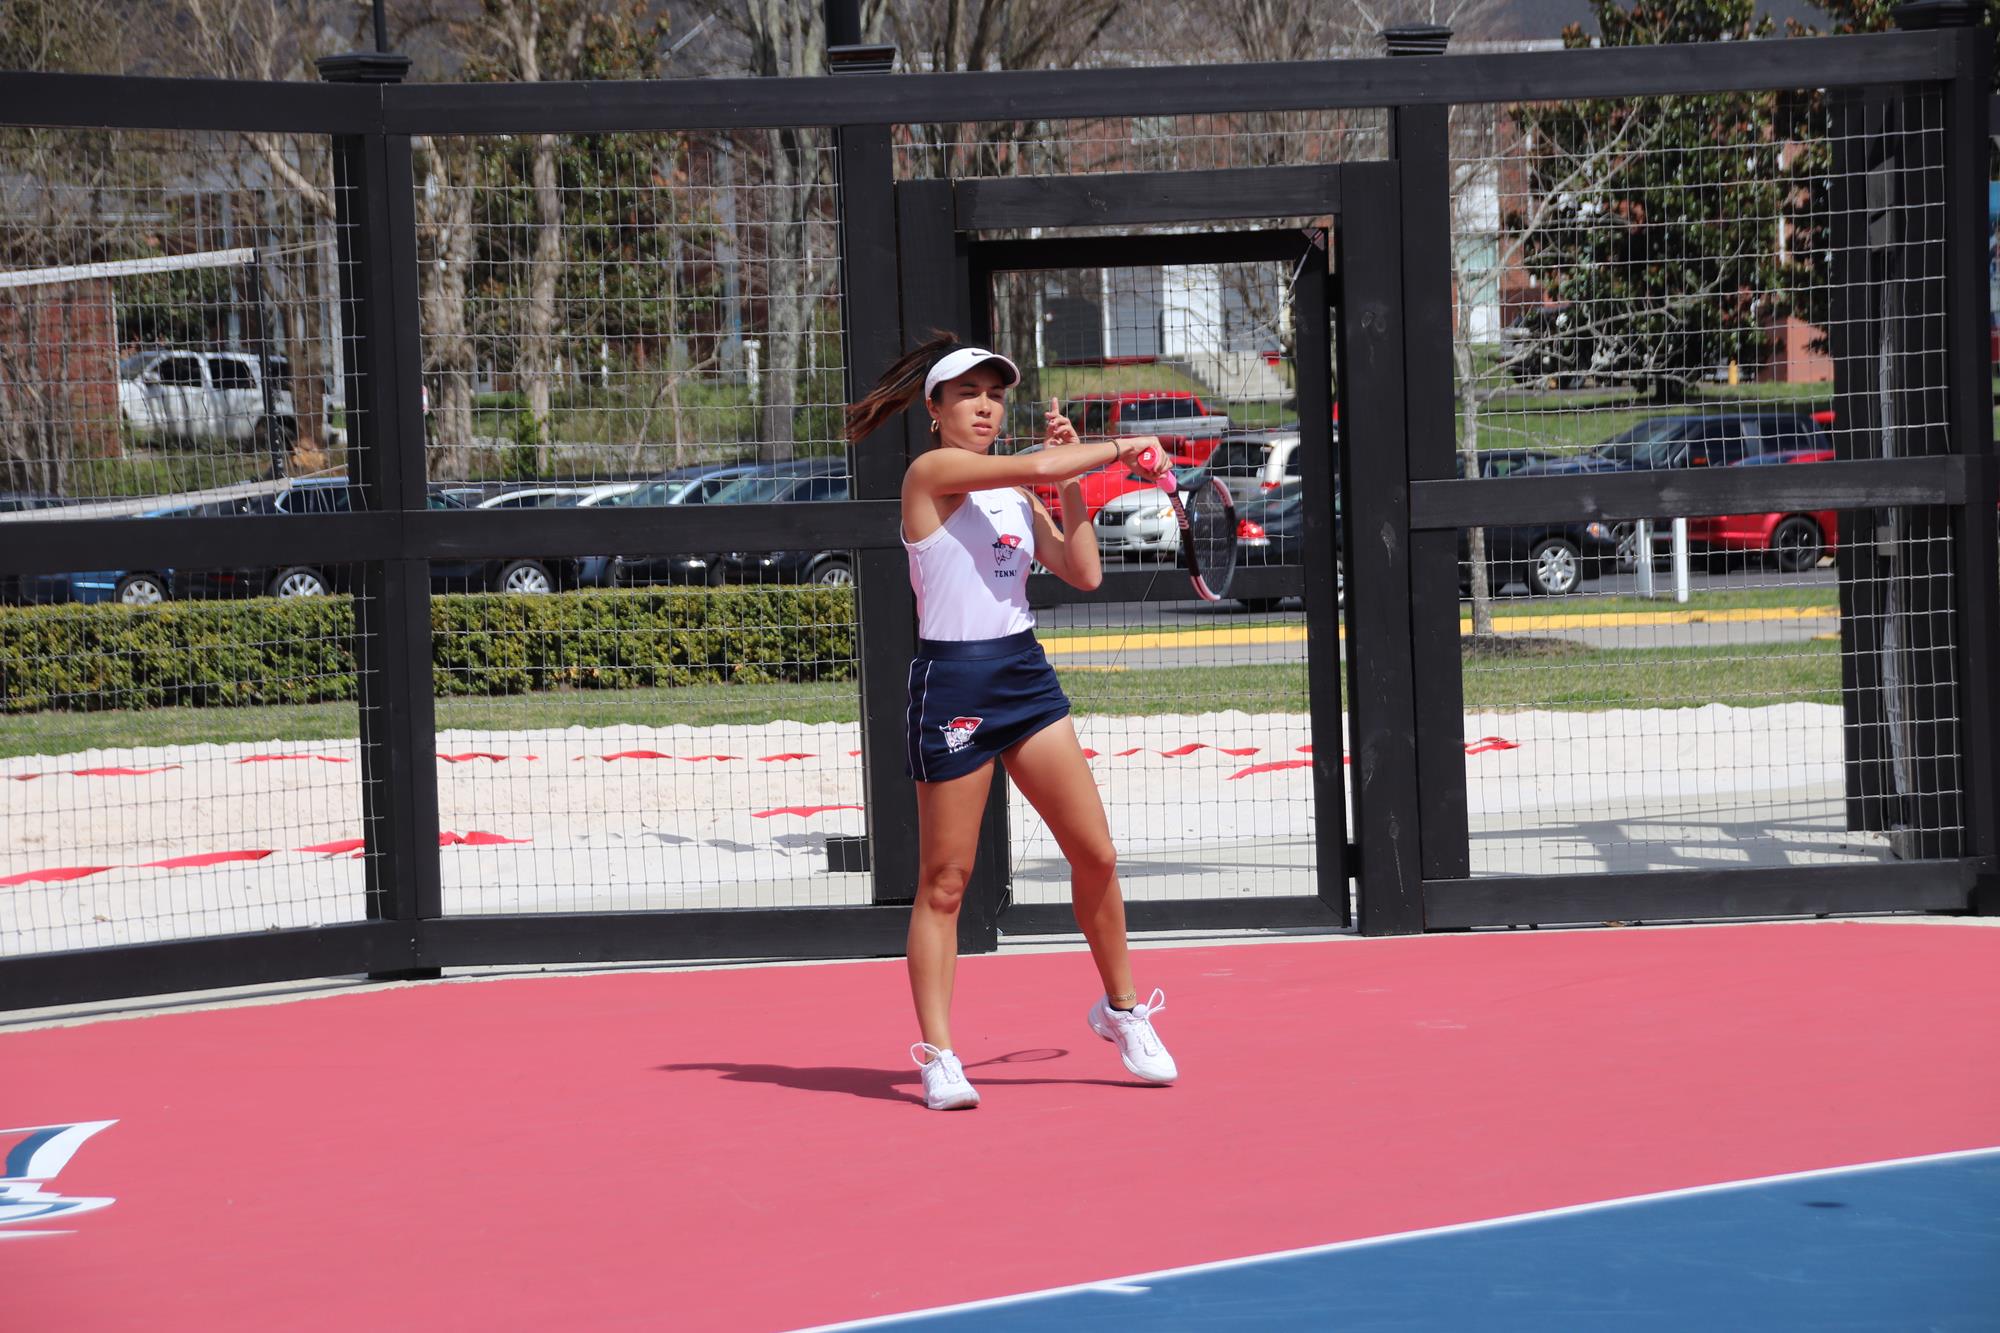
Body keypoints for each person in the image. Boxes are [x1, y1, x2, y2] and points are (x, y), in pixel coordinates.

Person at [845, 335, 1180, 1111]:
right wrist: (1121, 446)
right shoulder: (930, 475)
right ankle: (937, 1054)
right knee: (946, 881)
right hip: (953, 681)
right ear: (934, 410)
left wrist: (1069, 485)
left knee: (1095, 853)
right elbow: (1036, 464)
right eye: (967, 393)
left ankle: (1122, 1012)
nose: (985, 405)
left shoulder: (1020, 489)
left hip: (1024, 676)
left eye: (995, 392)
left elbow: (1083, 571)